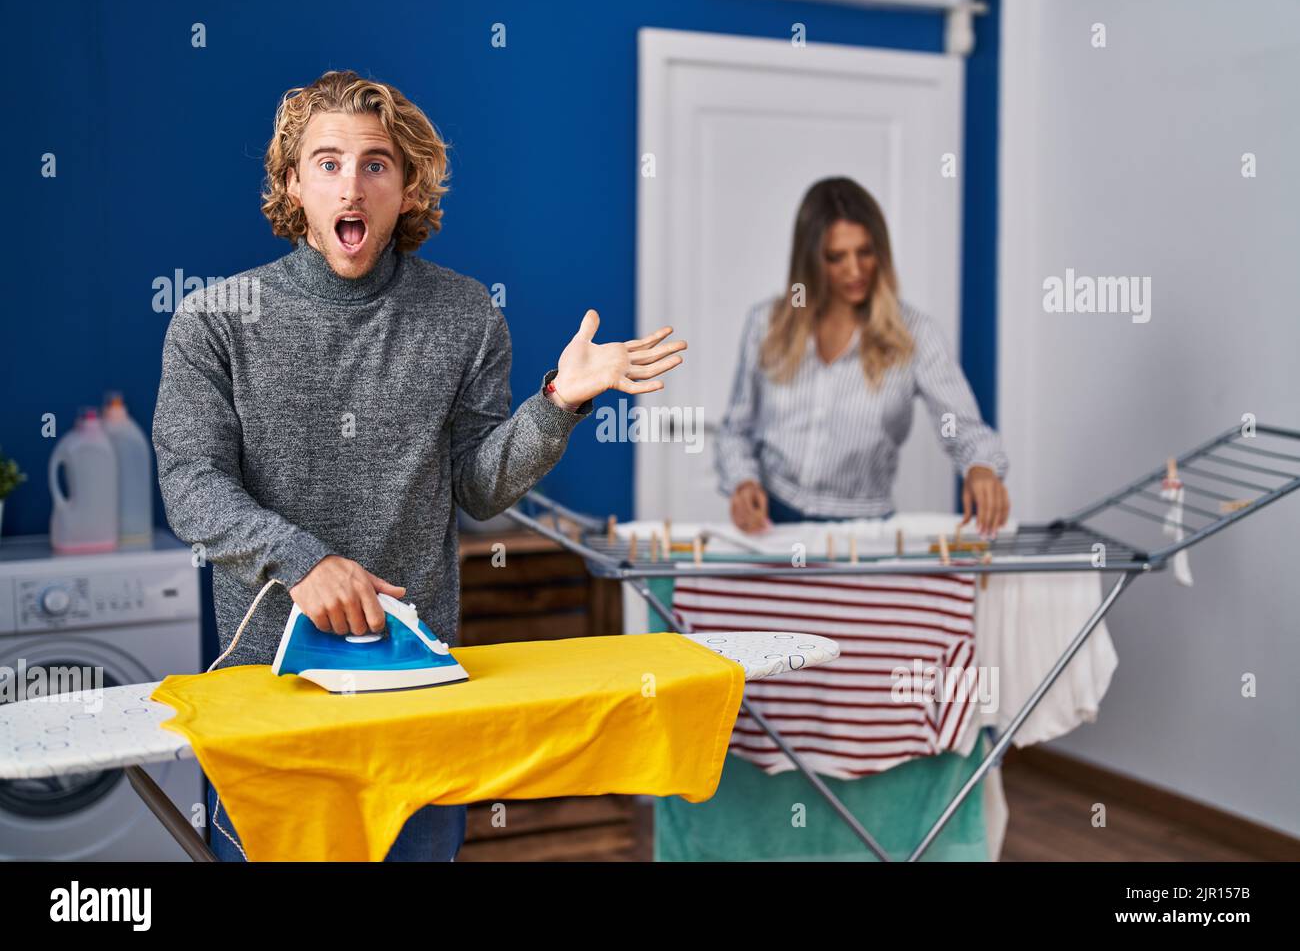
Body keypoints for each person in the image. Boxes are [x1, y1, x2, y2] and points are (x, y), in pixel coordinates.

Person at [153, 70, 685, 861]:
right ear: (293, 183)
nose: (352, 185)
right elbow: (192, 485)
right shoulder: (214, 321)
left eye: (376, 165)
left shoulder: (465, 314)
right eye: (327, 162)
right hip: (269, 689)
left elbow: (476, 484)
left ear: (408, 187)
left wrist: (559, 403)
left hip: (416, 687)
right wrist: (304, 563)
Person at [716, 176, 1009, 535]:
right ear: (809, 262)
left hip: (865, 531)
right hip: (772, 525)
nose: (855, 271)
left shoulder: (915, 334)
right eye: (836, 258)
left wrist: (981, 468)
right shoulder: (766, 324)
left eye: (866, 252)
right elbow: (735, 429)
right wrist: (743, 482)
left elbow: (964, 429)